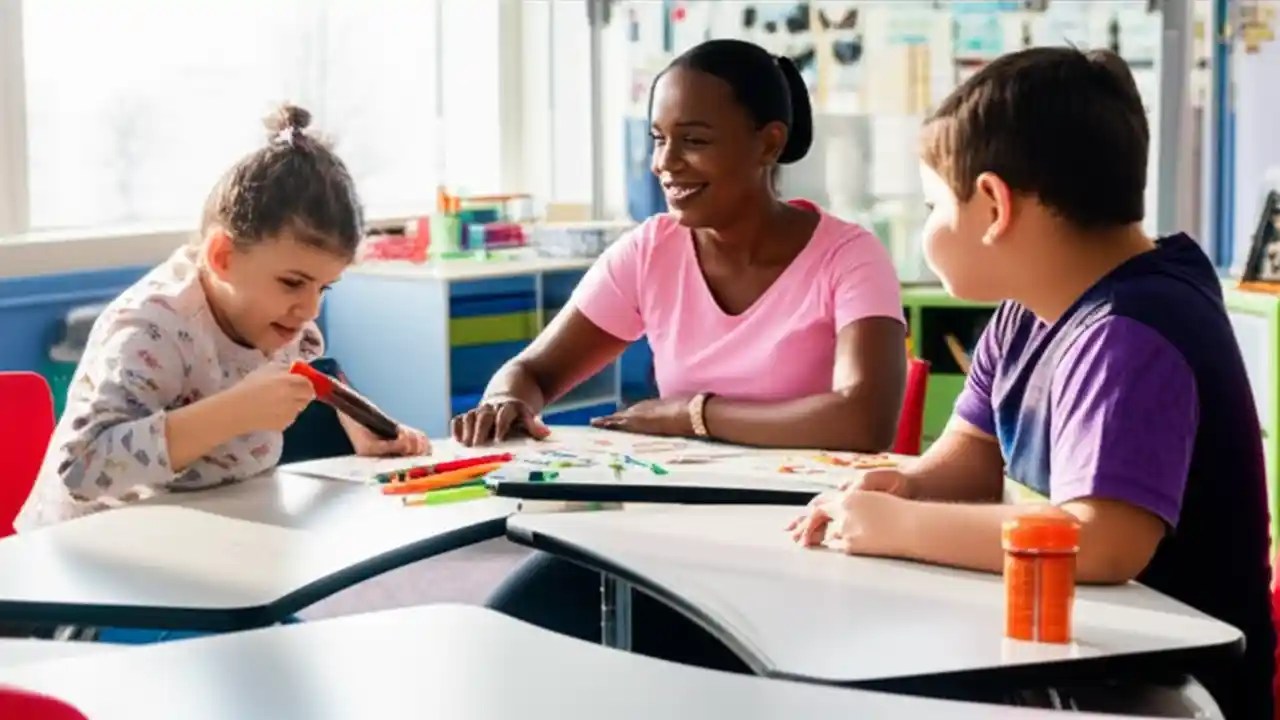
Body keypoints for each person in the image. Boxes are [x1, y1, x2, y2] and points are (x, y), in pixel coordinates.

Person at [788, 47, 1274, 718]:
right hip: (1067, 657)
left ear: (993, 205)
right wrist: (909, 485)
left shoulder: (1132, 329)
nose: (927, 228)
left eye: (933, 205)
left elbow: (1102, 541)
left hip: (1161, 691)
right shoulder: (1030, 310)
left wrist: (898, 525)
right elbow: (969, 460)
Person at [454, 38, 908, 669]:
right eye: (657, 139)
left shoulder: (849, 256)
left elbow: (864, 419)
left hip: (804, 540)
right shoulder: (652, 250)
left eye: (693, 139)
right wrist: (507, 399)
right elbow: (535, 369)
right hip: (668, 535)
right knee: (501, 644)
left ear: (768, 144)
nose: (666, 163)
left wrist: (692, 414)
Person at [16, 104, 428, 532]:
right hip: (81, 559)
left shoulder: (276, 319)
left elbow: (310, 376)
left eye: (323, 288)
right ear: (222, 256)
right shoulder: (151, 329)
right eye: (292, 282)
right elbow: (83, 467)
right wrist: (233, 412)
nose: (309, 311)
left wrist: (353, 423)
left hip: (201, 536)